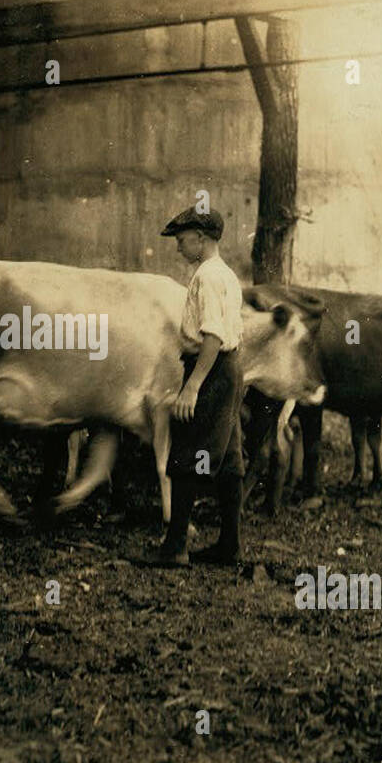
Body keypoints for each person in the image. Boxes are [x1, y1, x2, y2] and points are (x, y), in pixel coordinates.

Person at [146, 206, 245, 567]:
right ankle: (229, 545)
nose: (177, 247)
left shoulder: (207, 277)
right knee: (230, 456)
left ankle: (175, 547)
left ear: (201, 239)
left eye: (182, 239)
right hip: (229, 368)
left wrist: (192, 388)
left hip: (211, 368)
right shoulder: (225, 275)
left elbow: (214, 335)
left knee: (188, 449)